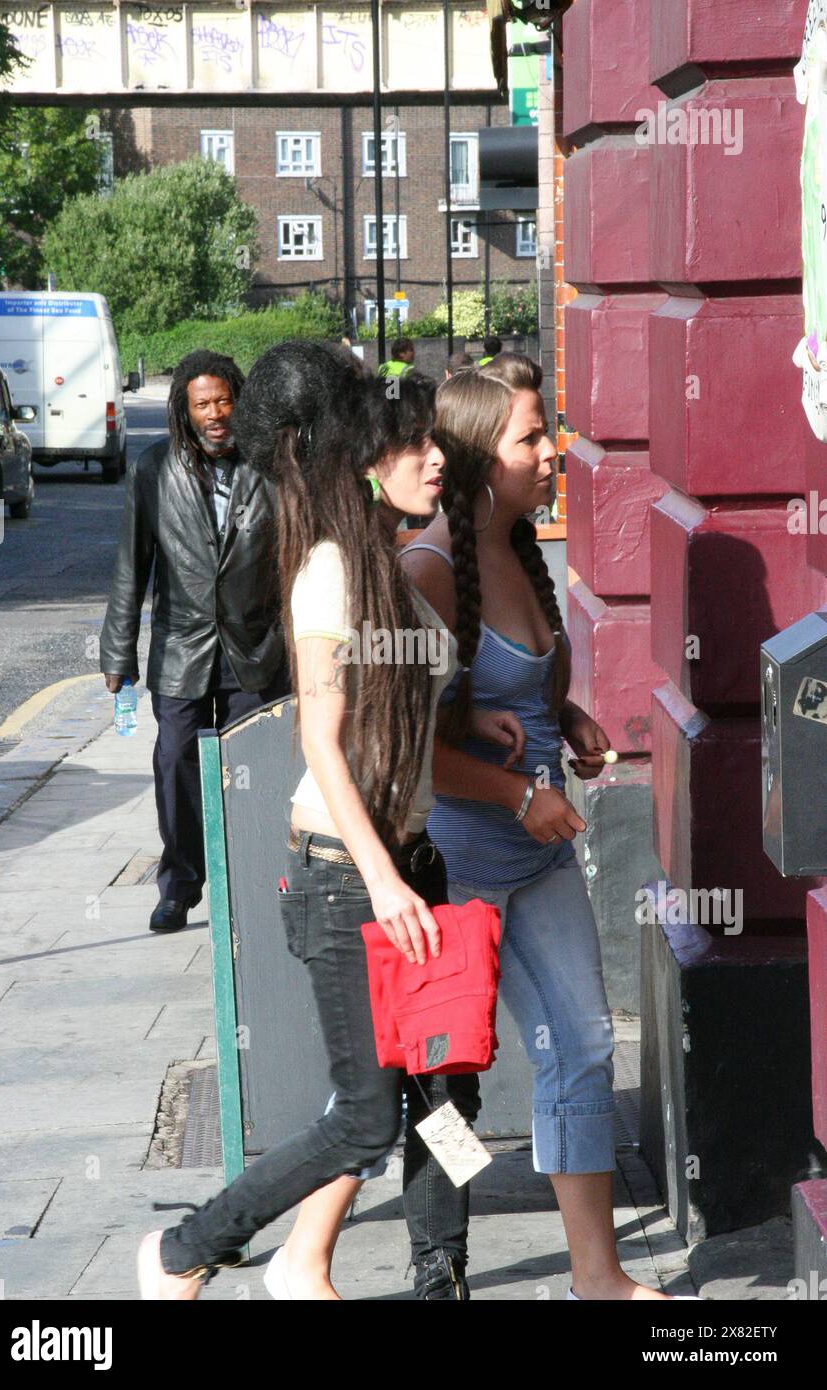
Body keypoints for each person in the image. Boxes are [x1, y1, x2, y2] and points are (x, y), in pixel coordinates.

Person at [136, 341, 521, 1301]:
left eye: (436, 438)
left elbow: (401, 718)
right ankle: (184, 1250)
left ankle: (444, 1280)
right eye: (414, 442)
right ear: (363, 459)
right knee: (363, 1120)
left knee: (450, 1090)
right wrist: (385, 881)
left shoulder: (386, 562)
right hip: (346, 873)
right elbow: (320, 738)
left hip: (409, 858)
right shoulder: (328, 572)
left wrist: (473, 723)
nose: (436, 457)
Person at [402, 352, 682, 1300]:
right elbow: (409, 751)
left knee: (584, 1047)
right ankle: (313, 1245)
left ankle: (597, 1277)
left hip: (542, 852)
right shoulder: (429, 568)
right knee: (423, 1080)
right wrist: (520, 794)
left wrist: (569, 723)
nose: (551, 449)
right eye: (531, 435)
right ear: (484, 455)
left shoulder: (520, 548)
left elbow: (522, 693)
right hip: (464, 866)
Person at [99, 350, 289, 935]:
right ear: (185, 410)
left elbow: (292, 560)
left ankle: (253, 878)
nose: (215, 414)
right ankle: (179, 886)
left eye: (224, 400)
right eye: (203, 404)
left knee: (250, 767)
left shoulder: (272, 466)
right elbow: (133, 564)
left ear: (240, 401)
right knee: (176, 760)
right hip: (182, 648)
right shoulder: (154, 469)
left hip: (255, 650)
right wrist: (118, 653)